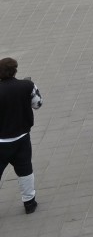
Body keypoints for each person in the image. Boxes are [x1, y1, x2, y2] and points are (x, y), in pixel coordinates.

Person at [0, 57, 42, 215]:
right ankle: (29, 203)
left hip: (1, 141)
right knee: (25, 170)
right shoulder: (27, 86)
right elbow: (38, 104)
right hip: (22, 138)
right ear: (15, 70)